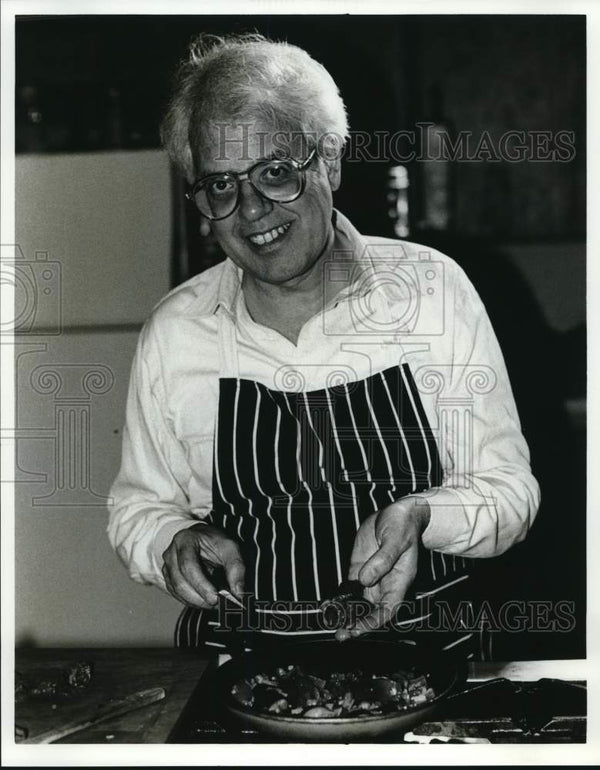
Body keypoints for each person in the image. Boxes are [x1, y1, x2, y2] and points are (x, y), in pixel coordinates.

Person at [108, 33, 540, 657]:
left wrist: (423, 515)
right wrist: (170, 540)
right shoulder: (177, 330)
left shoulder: (431, 291)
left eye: (276, 172)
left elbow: (509, 492)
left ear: (330, 163)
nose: (251, 210)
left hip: (427, 663)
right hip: (243, 675)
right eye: (221, 184)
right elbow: (138, 509)